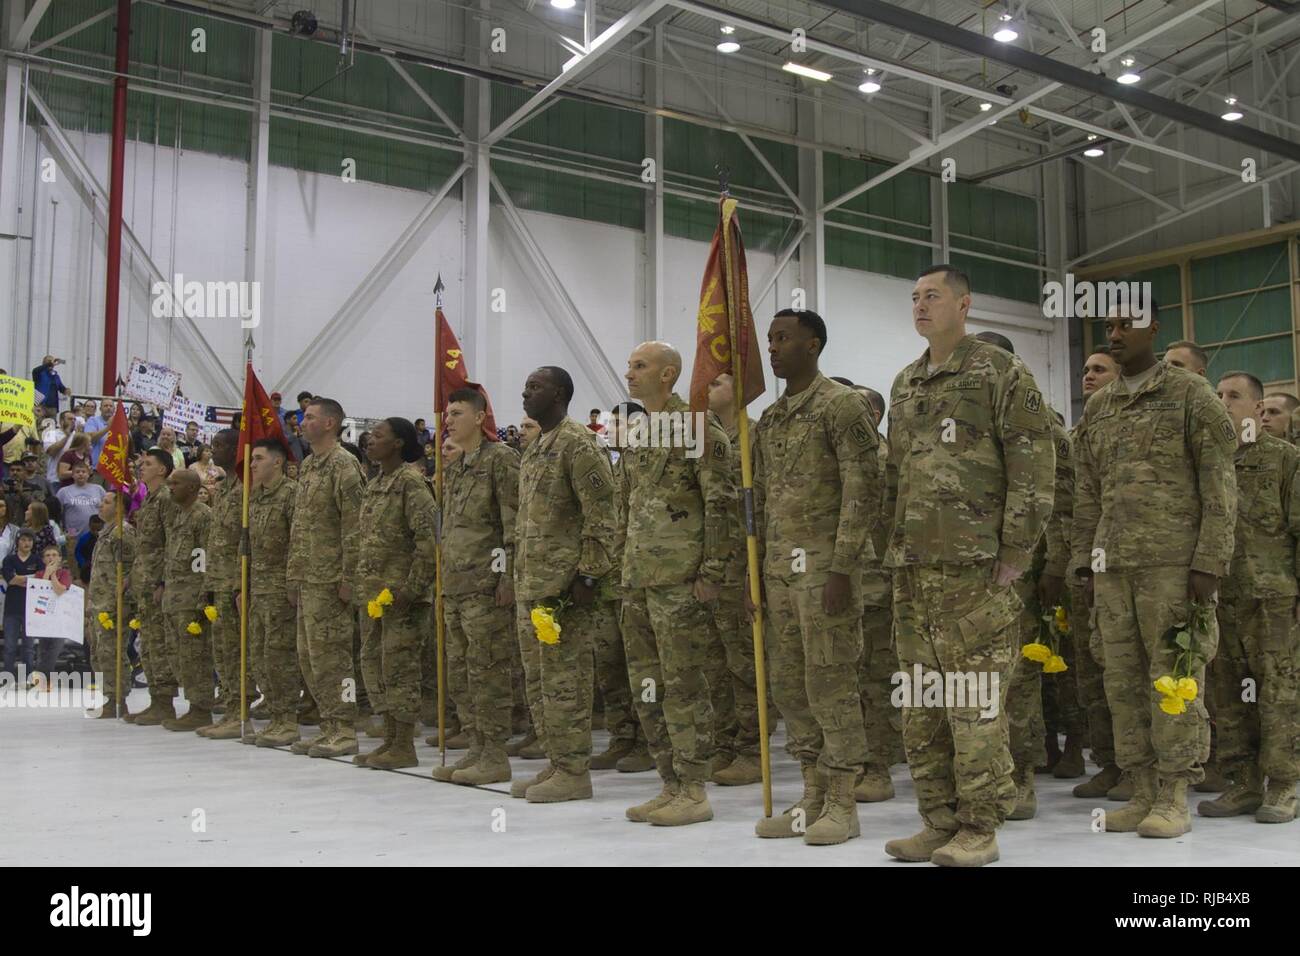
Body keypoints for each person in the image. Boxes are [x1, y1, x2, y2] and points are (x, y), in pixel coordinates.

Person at [883, 267, 1054, 866]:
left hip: (976, 567)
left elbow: (1033, 463)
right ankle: (937, 819)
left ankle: (979, 827)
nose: (920, 305)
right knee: (921, 699)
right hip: (912, 567)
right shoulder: (907, 382)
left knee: (975, 699)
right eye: (914, 297)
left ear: (964, 304)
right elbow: (894, 475)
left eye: (932, 296)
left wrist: (1016, 551)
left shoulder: (1000, 371)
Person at [1073, 302, 1237, 839]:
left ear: (1154, 331)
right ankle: (1140, 787)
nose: (1116, 335)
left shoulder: (1191, 396)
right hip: (1113, 566)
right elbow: (1088, 492)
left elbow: (1219, 484)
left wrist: (1210, 561)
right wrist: (1086, 562)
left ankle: (1173, 794)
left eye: (1127, 326)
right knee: (1121, 681)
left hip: (1173, 565)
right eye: (1109, 328)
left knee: (1176, 677)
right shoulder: (1100, 407)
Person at [749, 310, 879, 847]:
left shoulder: (842, 405)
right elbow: (755, 502)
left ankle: (843, 802)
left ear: (813, 344)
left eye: (784, 338)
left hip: (825, 570)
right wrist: (753, 575)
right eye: (771, 339)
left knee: (831, 683)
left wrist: (844, 567)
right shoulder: (772, 418)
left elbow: (863, 487)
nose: (773, 348)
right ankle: (810, 794)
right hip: (779, 574)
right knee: (790, 687)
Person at [617, 342, 734, 826]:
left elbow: (722, 505)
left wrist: (711, 574)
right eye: (629, 366)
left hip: (681, 582)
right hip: (639, 579)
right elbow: (629, 506)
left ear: (668, 375)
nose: (630, 373)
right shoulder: (642, 432)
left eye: (639, 366)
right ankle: (668, 782)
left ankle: (694, 788)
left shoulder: (698, 429)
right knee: (647, 685)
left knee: (685, 685)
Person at [971, 330, 1077, 822]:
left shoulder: (1043, 427)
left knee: (1018, 679)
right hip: (970, 570)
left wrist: (1054, 567)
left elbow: (1059, 505)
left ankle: (1022, 777)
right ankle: (980, 775)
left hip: (1022, 571)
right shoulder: (963, 419)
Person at [510, 366, 617, 804]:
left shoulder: (578, 443)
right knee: (539, 682)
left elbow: (603, 513)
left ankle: (574, 771)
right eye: (525, 385)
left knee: (565, 682)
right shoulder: (537, 449)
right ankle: (556, 761)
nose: (525, 393)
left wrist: (589, 574)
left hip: (564, 589)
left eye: (534, 387)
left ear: (559, 394)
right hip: (532, 584)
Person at [1199, 372, 1299, 823]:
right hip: (1223, 598)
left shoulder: (1283, 459)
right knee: (1229, 695)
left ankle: (1283, 784)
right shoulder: (1208, 460)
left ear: (1259, 409)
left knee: (1278, 693)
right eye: (1219, 396)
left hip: (1272, 598)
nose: (1224, 402)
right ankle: (1241, 783)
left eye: (1234, 396)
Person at [427, 392, 519, 783]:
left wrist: (507, 576)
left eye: (458, 413)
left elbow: (512, 522)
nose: (448, 420)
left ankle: (495, 754)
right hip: (456, 585)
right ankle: (477, 746)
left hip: (485, 585)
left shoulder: (500, 460)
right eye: (447, 414)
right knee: (461, 671)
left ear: (480, 417)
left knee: (489, 670)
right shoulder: (458, 466)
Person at [348, 418, 438, 769]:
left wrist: (413, 588)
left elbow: (428, 539)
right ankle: (388, 739)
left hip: (402, 597)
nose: (370, 440)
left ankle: (404, 744)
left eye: (379, 436)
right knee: (375, 665)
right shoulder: (376, 483)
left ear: (399, 443)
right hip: (373, 595)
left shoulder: (411, 484)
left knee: (400, 668)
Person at [287, 397, 365, 758]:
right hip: (308, 578)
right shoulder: (308, 466)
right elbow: (300, 526)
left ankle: (345, 726)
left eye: (311, 417)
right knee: (309, 656)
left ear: (330, 423)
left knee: (334, 658)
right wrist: (293, 575)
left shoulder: (344, 466)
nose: (303, 421)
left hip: (332, 579)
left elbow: (354, 526)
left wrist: (349, 577)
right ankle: (328, 725)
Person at [1067, 346, 1126, 802]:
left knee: (1140, 676)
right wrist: (1081, 567)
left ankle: (1148, 773)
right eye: (1085, 369)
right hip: (1095, 569)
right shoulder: (1080, 432)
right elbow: (1079, 507)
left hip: (1141, 568)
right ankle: (1110, 763)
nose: (1088, 375)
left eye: (1099, 369)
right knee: (1098, 675)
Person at [587, 402, 650, 773]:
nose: (610, 428)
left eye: (619, 423)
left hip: (636, 579)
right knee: (610, 665)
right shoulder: (614, 465)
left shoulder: (649, 463)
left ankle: (647, 740)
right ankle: (621, 737)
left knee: (640, 667)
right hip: (610, 578)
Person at [852, 382, 904, 802]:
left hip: (878, 585)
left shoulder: (890, 462)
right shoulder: (838, 460)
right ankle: (849, 761)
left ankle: (878, 766)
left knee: (874, 677)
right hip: (839, 581)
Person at [246, 439, 302, 747]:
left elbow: (298, 542)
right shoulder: (256, 497)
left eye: (258, 458)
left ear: (277, 462)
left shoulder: (291, 495)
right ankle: (276, 714)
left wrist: (293, 584)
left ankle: (288, 720)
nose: (252, 464)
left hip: (282, 588)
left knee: (281, 656)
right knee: (263, 655)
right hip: (259, 587)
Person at [195, 430, 247, 740]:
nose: (214, 451)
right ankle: (229, 710)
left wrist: (243, 583)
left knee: (237, 652)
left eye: (221, 445)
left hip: (236, 581)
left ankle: (239, 713)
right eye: (212, 445)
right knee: (224, 652)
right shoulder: (224, 489)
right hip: (220, 580)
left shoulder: (245, 489)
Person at [159, 469, 213, 732]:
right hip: (175, 597)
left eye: (176, 484)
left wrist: (204, 601)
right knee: (178, 655)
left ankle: (201, 709)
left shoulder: (202, 516)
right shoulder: (179, 515)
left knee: (195, 656)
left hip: (191, 599)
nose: (170, 488)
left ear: (192, 488)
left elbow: (205, 562)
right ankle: (191, 705)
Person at [129, 448, 180, 726]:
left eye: (148, 464)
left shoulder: (166, 498)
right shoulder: (148, 499)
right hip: (144, 583)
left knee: (159, 645)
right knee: (148, 645)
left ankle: (165, 703)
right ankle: (155, 700)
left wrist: (163, 581)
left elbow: (172, 542)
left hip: (157, 583)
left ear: (162, 469)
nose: (142, 467)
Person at [87, 491, 136, 717]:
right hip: (99, 602)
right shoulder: (106, 532)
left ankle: (118, 699)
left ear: (119, 508)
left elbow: (130, 570)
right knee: (99, 653)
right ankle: (108, 696)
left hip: (113, 603)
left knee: (112, 652)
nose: (100, 505)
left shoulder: (123, 532)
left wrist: (124, 600)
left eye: (106, 502)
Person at [32, 543, 74, 686]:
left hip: (59, 618)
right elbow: (39, 591)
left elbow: (60, 590)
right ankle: (43, 680)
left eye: (54, 555)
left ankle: (40, 677)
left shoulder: (65, 574)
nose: (51, 558)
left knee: (55, 649)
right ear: (43, 559)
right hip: (44, 617)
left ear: (60, 558)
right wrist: (46, 574)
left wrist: (53, 574)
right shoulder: (38, 574)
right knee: (43, 649)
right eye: (48, 555)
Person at [1, 529, 41, 681]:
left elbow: (40, 579)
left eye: (29, 540)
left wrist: (20, 578)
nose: (27, 543)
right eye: (23, 540)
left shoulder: (37, 560)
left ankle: (29, 678)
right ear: (18, 541)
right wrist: (30, 579)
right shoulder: (9, 560)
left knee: (29, 648)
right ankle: (7, 677)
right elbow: (10, 580)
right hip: (12, 609)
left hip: (31, 609)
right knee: (10, 646)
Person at [56, 462, 106, 540]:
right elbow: (57, 514)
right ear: (72, 475)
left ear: (88, 474)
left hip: (97, 534)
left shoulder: (99, 489)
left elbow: (106, 509)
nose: (80, 474)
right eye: (77, 472)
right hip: (73, 535)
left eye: (83, 472)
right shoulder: (63, 491)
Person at [84, 398, 115, 468]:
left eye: (111, 406)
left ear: (114, 409)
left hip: (113, 469)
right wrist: (108, 428)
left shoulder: (119, 423)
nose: (108, 408)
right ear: (100, 409)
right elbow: (89, 438)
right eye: (105, 406)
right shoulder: (93, 420)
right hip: (96, 467)